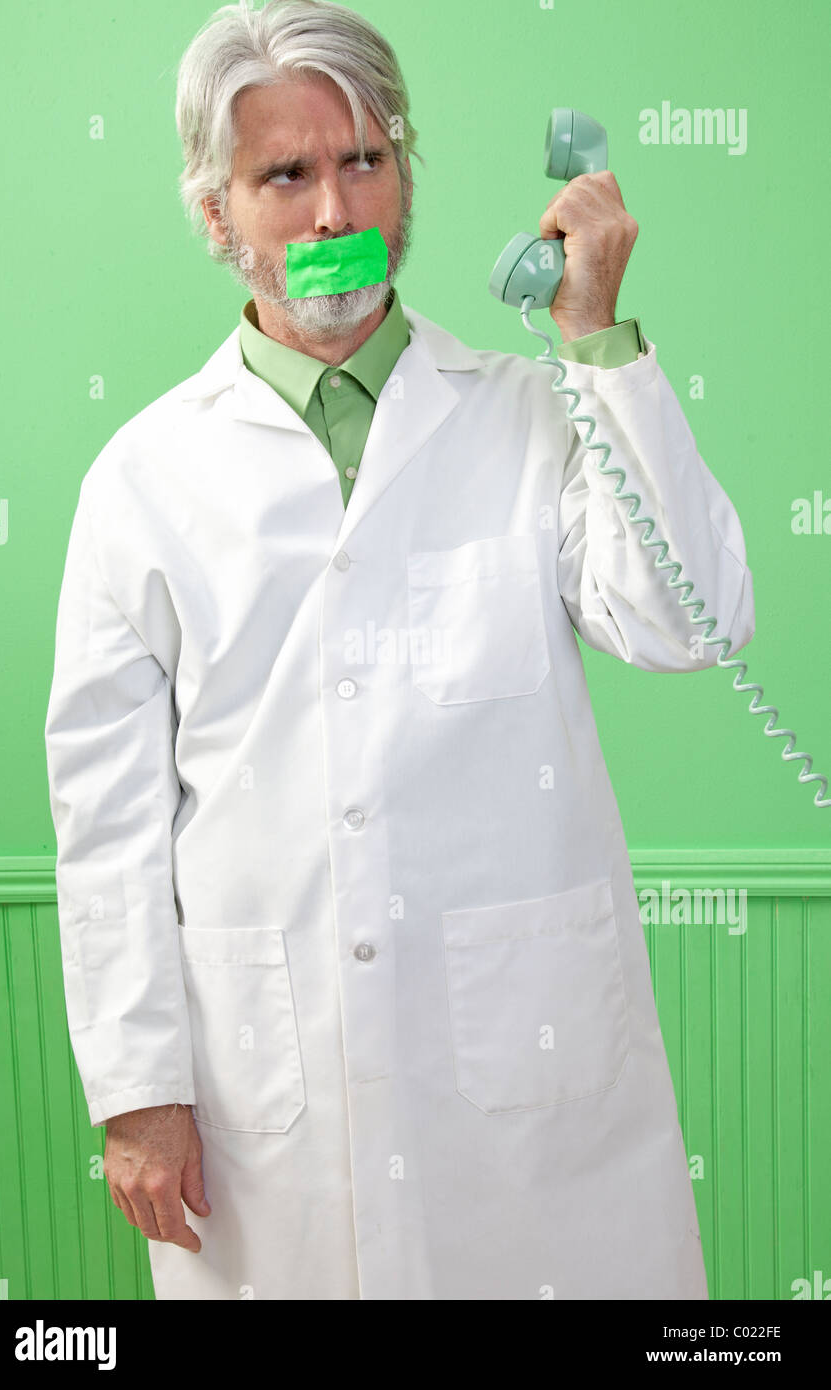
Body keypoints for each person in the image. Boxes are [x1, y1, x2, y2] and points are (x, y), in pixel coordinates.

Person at [44, 0, 754, 1301]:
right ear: (216, 211)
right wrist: (139, 1083)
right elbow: (106, 808)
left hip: (529, 1065)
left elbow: (682, 621)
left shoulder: (536, 412)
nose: (331, 213)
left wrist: (596, 336)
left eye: (362, 162)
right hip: (269, 1080)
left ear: (406, 178)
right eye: (285, 175)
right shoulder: (143, 475)